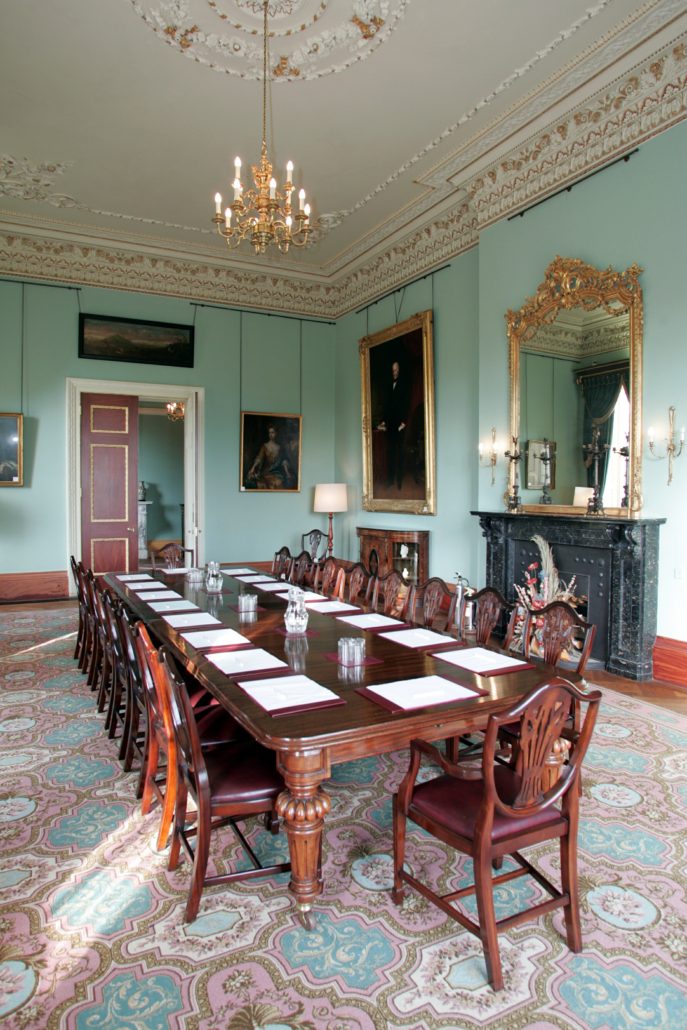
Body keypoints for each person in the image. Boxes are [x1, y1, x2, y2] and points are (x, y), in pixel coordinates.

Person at [376, 359, 411, 489]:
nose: (395, 372)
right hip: (390, 425)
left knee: (400, 454)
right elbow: (388, 406)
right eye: (393, 370)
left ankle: (399, 481)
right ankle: (390, 480)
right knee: (390, 454)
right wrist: (384, 421)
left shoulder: (404, 384)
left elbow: (406, 404)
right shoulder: (389, 385)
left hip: (400, 425)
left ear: (399, 370)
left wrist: (404, 422)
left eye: (396, 370)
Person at [245, 425, 293, 489]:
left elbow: (283, 461)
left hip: (276, 472)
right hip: (265, 472)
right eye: (269, 432)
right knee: (262, 483)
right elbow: (259, 458)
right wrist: (252, 468)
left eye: (272, 432)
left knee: (278, 482)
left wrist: (287, 473)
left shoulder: (279, 447)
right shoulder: (265, 446)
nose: (270, 434)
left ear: (276, 433)